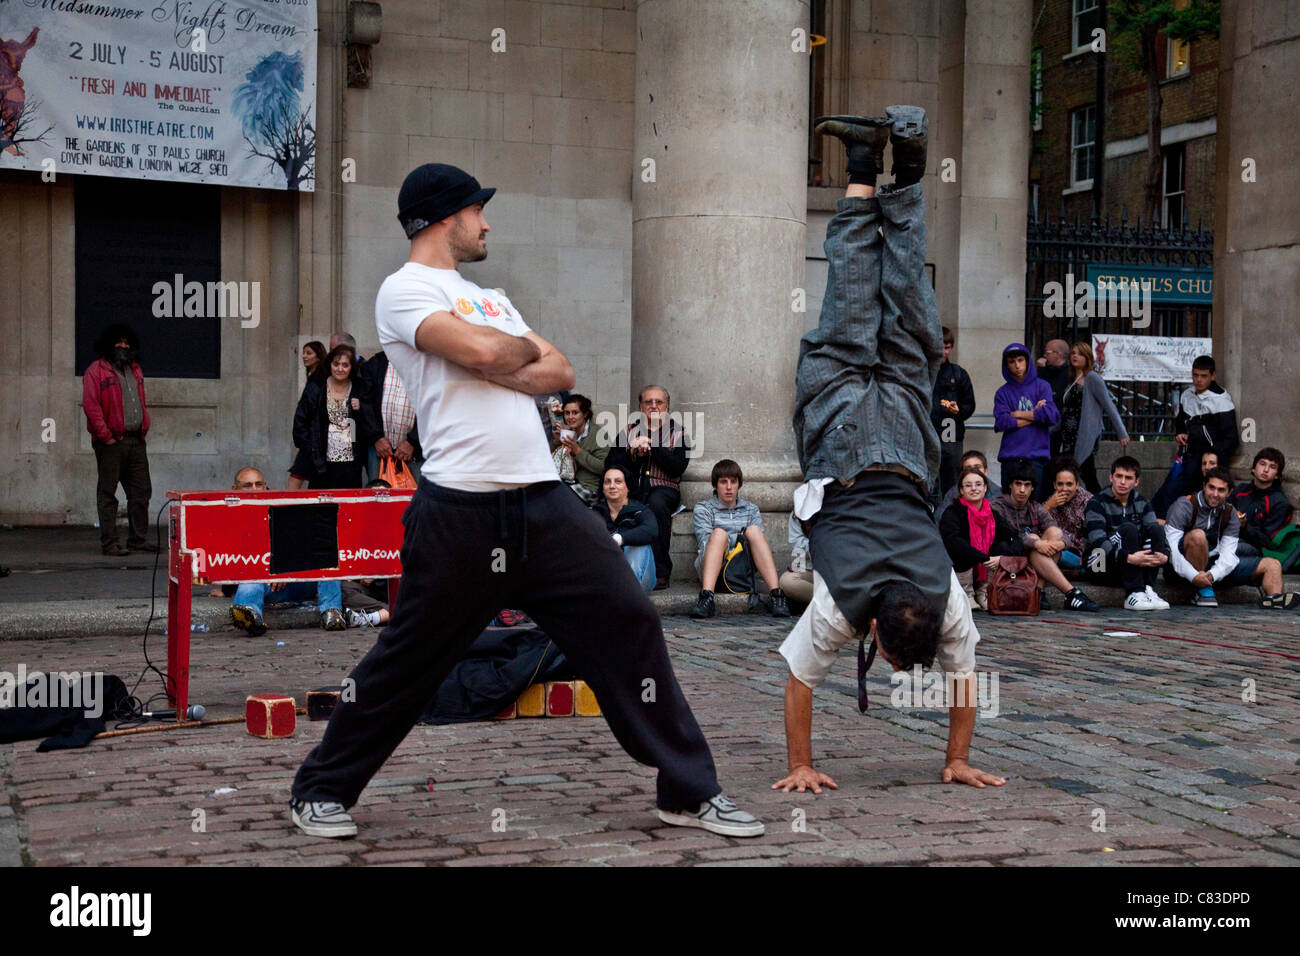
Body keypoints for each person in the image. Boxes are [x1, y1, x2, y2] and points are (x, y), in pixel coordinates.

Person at [289, 162, 763, 840]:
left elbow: (559, 371)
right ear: (442, 218)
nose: (487, 223)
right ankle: (321, 789)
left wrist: (490, 355)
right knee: (409, 659)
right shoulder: (402, 290)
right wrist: (499, 356)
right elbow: (496, 354)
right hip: (458, 513)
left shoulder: (493, 295)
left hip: (544, 506)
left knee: (632, 621)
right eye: (477, 211)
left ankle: (687, 790)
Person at [778, 106, 1004, 795]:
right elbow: (796, 683)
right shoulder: (842, 606)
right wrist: (800, 766)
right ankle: (858, 164)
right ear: (874, 629)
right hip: (843, 441)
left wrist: (958, 755)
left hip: (906, 441)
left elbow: (966, 683)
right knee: (849, 297)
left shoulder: (948, 597)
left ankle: (905, 166)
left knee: (910, 308)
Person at [226, 467, 348, 634]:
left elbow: (306, 545)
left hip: (298, 579)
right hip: (267, 585)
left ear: (265, 486)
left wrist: (283, 568)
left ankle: (332, 613)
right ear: (235, 489)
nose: (254, 489)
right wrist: (226, 588)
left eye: (258, 484)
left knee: (327, 559)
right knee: (250, 579)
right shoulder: (228, 515)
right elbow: (230, 558)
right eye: (248, 485)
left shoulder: (281, 506)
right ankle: (250, 616)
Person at [1163, 466, 1293, 608]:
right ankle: (1203, 591)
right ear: (1204, 486)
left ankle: (1274, 601)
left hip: (1214, 567)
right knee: (1198, 536)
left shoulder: (1230, 513)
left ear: (1229, 492)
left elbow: (1228, 555)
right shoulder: (1184, 505)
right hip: (1181, 569)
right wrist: (1194, 576)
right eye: (1211, 488)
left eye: (1221, 490)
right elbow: (1172, 551)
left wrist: (1212, 575)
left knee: (1272, 565)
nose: (1215, 494)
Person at [82, 323, 154, 556]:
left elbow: (140, 403)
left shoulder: (135, 370)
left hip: (136, 441)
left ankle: (138, 540)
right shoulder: (96, 370)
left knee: (141, 493)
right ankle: (110, 543)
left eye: (127, 342)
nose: (123, 346)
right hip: (111, 443)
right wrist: (105, 436)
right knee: (107, 494)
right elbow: (92, 407)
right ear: (109, 344)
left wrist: (144, 427)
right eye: (119, 342)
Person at [607, 385, 689, 590]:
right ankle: (615, 572)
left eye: (658, 402)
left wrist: (653, 448)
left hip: (664, 490)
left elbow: (678, 466)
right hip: (634, 489)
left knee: (655, 503)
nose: (653, 406)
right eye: (648, 402)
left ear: (667, 406)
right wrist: (634, 454)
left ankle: (661, 572)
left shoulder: (679, 432)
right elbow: (611, 466)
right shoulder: (628, 431)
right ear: (641, 406)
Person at [990, 461, 1099, 610]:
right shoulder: (998, 507)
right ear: (1010, 485)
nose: (1022, 490)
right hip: (1009, 555)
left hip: (1039, 556)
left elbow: (1060, 534)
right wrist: (1036, 543)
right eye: (1018, 484)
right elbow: (1010, 537)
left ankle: (1038, 591)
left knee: (1054, 533)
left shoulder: (1035, 508)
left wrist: (1061, 544)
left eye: (1027, 485)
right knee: (1035, 539)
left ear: (1032, 487)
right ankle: (1071, 592)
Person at [689, 459, 790, 619]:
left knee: (754, 531)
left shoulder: (751, 509)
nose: (729, 487)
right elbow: (705, 542)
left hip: (742, 571)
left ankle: (776, 595)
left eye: (733, 482)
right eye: (723, 482)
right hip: (713, 570)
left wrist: (745, 537)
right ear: (715, 485)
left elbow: (756, 545)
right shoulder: (703, 508)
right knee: (719, 534)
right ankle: (706, 598)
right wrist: (736, 538)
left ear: (739, 484)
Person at [1084, 455, 1171, 611]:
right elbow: (1097, 543)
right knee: (1128, 529)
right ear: (1111, 477)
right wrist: (1129, 558)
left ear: (1136, 481)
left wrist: (1165, 553)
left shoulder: (1142, 502)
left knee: (1156, 528)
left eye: (1128, 478)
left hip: (1129, 566)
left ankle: (1148, 589)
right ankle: (1134, 592)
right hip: (1100, 566)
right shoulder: (1096, 503)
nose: (1123, 482)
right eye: (1119, 476)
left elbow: (1155, 531)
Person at [939, 467, 1020, 611]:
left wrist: (1001, 558)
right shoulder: (953, 512)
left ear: (985, 488)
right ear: (961, 490)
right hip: (961, 566)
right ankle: (966, 593)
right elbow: (951, 541)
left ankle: (985, 592)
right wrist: (983, 557)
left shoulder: (993, 514)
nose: (974, 489)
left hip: (986, 566)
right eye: (968, 485)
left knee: (1002, 544)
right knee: (961, 546)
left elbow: (1015, 537)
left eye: (978, 484)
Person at [293, 345, 372, 490]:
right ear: (329, 364)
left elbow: (370, 419)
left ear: (351, 367)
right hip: (321, 461)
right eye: (336, 364)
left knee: (348, 506)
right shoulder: (317, 386)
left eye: (345, 365)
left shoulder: (359, 388)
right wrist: (310, 449)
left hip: (351, 462)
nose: (340, 369)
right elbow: (300, 420)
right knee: (321, 506)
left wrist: (361, 408)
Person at [1054, 341, 1129, 494]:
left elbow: (1109, 406)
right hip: (1068, 436)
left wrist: (1122, 432)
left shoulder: (1092, 378)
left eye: (1080, 354)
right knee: (1070, 475)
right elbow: (1066, 409)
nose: (1075, 356)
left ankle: (1100, 506)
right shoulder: (1071, 378)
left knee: (1087, 474)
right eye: (1073, 353)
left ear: (1087, 358)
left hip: (1084, 435)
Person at [993, 342, 1059, 491]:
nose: (1017, 365)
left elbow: (1052, 416)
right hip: (1011, 457)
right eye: (1012, 362)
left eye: (1020, 360)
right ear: (1006, 365)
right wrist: (1035, 415)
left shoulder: (1043, 386)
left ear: (1027, 361)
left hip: (1036, 456)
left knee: (1033, 507)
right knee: (1008, 506)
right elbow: (1002, 422)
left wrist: (1018, 414)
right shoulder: (1002, 392)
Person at [1175, 355, 1238, 495]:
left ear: (1213, 376)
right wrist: (1179, 433)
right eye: (1195, 375)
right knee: (1169, 492)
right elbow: (1180, 421)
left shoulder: (1221, 401)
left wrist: (1214, 456)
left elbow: (1231, 438)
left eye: (1203, 376)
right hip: (1188, 455)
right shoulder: (1187, 395)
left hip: (1210, 459)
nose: (1198, 380)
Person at [593, 463, 658, 593]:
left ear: (627, 486)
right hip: (609, 574)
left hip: (641, 575)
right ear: (603, 487)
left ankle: (628, 597)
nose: (612, 486)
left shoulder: (639, 510)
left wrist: (620, 538)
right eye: (607, 482)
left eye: (618, 481)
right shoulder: (596, 512)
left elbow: (651, 529)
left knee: (639, 546)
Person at [363, 348, 421, 483]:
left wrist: (413, 441)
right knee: (379, 499)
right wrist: (376, 437)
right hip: (379, 450)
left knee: (418, 500)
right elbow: (365, 403)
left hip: (415, 452)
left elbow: (434, 407)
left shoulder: (427, 365)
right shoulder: (377, 363)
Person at [1230, 447, 1295, 567]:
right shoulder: (1240, 490)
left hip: (1254, 548)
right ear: (1254, 469)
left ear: (1277, 475)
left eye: (1272, 467)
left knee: (1227, 548)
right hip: (1228, 536)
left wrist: (1244, 526)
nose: (1266, 470)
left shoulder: (1280, 504)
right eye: (1262, 464)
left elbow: (1266, 541)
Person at [931, 326, 976, 496]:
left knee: (951, 483)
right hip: (928, 433)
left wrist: (959, 411)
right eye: (940, 347)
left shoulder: (958, 374)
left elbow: (969, 405)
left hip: (950, 435)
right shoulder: (924, 373)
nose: (943, 352)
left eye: (947, 347)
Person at [288, 341, 330, 490]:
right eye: (304, 352)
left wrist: (304, 438)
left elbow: (308, 412)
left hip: (312, 440)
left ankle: (288, 510)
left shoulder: (318, 380)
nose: (304, 356)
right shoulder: (315, 378)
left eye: (309, 353)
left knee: (296, 478)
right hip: (312, 439)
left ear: (318, 357)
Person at [558, 393, 608, 504]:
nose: (570, 417)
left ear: (585, 414)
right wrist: (556, 442)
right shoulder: (569, 432)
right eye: (567, 413)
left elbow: (604, 467)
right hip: (568, 483)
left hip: (589, 488)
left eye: (575, 413)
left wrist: (578, 451)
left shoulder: (599, 434)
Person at [934, 449, 1002, 525]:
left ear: (985, 471)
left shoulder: (998, 493)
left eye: (977, 467)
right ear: (962, 473)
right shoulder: (954, 492)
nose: (973, 471)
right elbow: (939, 519)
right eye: (968, 468)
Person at [1043, 458, 1092, 558]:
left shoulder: (1088, 502)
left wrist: (1064, 543)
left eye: (1069, 484)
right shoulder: (1051, 501)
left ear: (1077, 485)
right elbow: (1034, 528)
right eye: (1060, 484)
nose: (1064, 489)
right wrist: (1047, 506)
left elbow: (1090, 538)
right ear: (1054, 485)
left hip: (1079, 554)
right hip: (1052, 546)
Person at [1153, 449, 1218, 520]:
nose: (1207, 467)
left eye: (1212, 463)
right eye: (1204, 463)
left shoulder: (1226, 488)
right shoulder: (1191, 488)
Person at [1038, 338, 1072, 456]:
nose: (1044, 356)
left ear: (1058, 354)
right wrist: (1040, 370)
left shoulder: (1070, 373)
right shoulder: (1044, 371)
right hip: (1046, 425)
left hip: (1064, 425)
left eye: (1047, 353)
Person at [779, 513, 814, 609]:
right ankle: (832, 602)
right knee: (787, 581)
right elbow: (798, 549)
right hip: (813, 570)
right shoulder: (798, 514)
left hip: (840, 571)